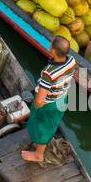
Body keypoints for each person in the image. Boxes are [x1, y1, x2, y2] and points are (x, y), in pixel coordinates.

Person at [20, 35, 76, 165]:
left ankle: (38, 155)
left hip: (49, 104)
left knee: (41, 127)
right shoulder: (71, 61)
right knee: (51, 123)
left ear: (54, 51)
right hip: (62, 98)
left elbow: (39, 101)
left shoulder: (48, 74)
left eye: (51, 46)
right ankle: (45, 140)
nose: (49, 47)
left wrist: (38, 106)